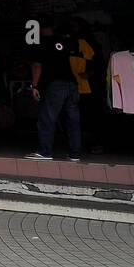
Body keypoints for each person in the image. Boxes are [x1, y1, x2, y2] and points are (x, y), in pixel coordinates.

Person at [26, 22, 83, 162]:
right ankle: (75, 154)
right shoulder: (66, 42)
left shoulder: (41, 43)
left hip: (55, 85)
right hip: (72, 83)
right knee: (73, 120)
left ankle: (45, 152)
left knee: (47, 118)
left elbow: (37, 65)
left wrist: (34, 86)